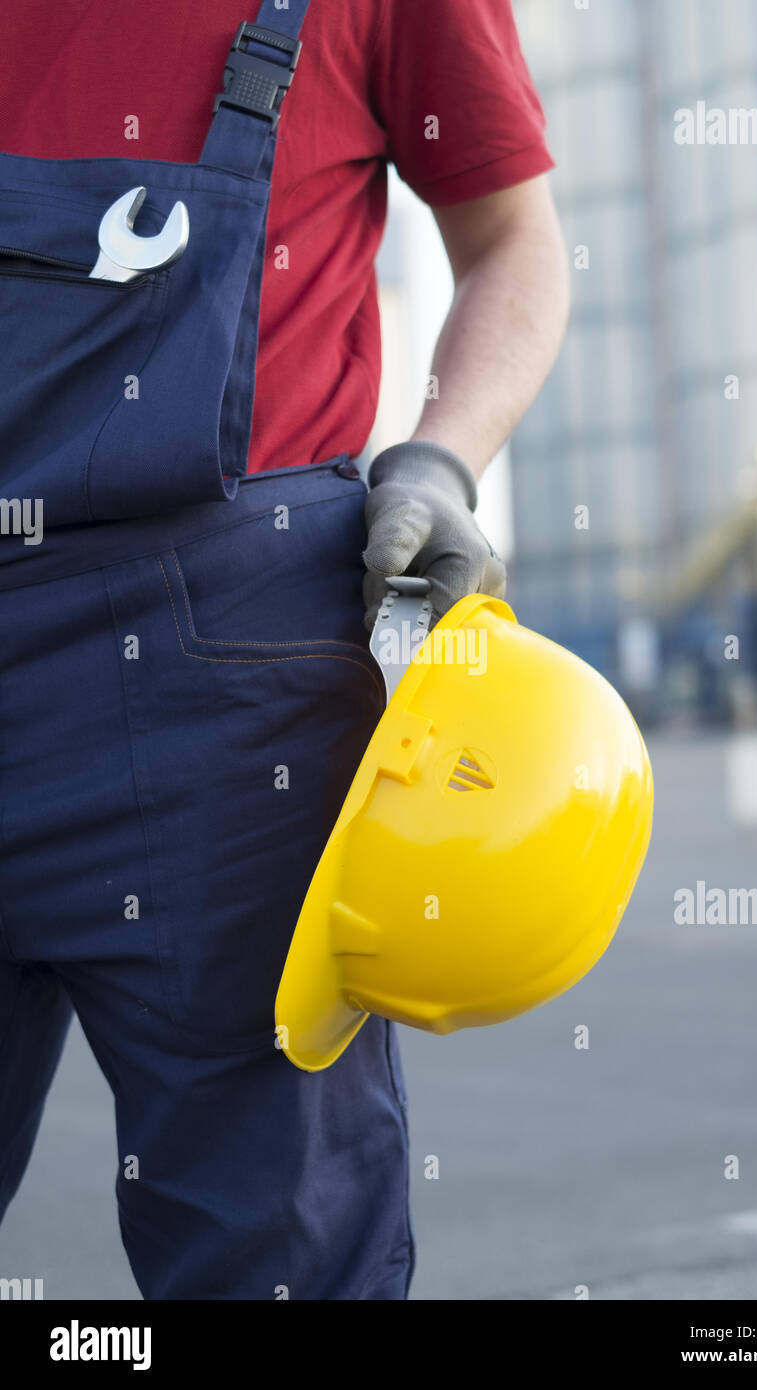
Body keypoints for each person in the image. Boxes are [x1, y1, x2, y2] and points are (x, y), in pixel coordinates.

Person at [0, 1, 569, 1299]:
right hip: (222, 668)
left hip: (222, 687)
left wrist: (438, 462)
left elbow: (513, 241)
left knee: (273, 1260)